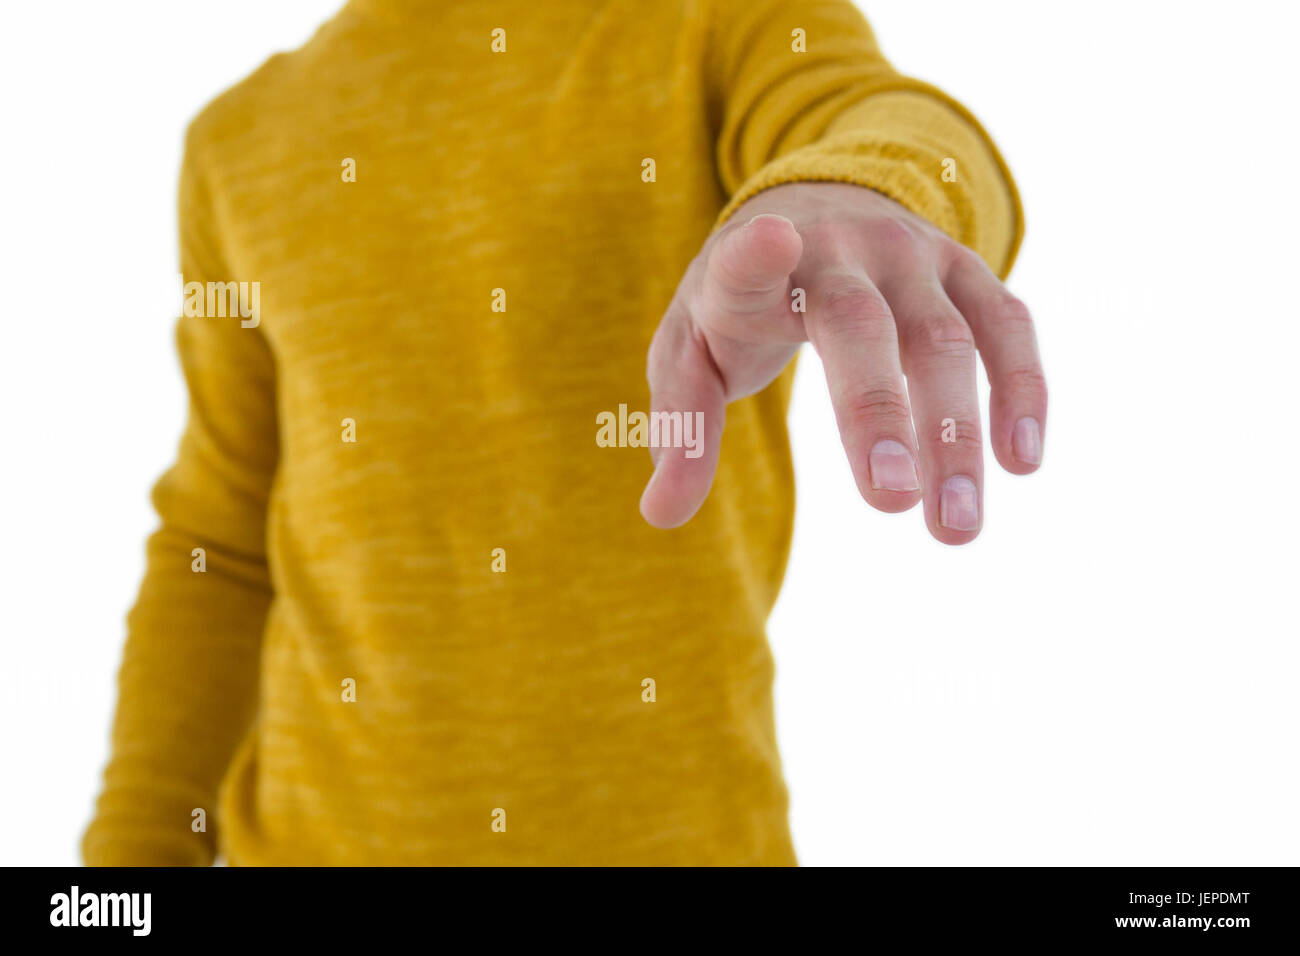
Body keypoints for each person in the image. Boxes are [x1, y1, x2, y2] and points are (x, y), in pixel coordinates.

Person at [84, 0, 1046, 866]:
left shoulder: (713, 22)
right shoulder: (237, 141)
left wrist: (861, 193)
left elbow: (888, 118)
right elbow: (218, 544)